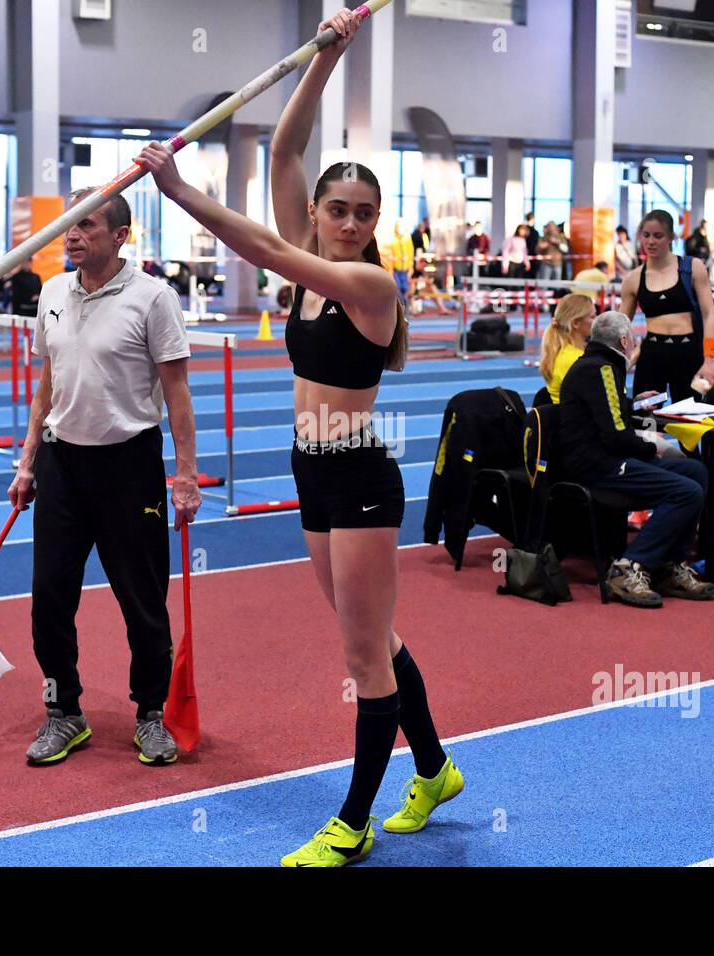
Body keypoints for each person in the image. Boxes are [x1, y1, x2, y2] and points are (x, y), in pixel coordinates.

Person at [139, 8, 457, 868]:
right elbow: (283, 154)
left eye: (364, 213)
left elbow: (269, 253)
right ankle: (433, 769)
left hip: (358, 477)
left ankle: (352, 823)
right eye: (338, 209)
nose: (350, 223)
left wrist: (180, 191)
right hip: (309, 471)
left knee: (362, 653)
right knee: (375, 639)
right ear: (316, 210)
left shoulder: (364, 284)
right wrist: (324, 58)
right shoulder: (313, 256)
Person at [8, 187, 202, 769]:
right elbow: (48, 380)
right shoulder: (51, 293)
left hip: (129, 467)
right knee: (49, 600)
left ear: (119, 236)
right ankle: (63, 711)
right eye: (69, 225)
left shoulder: (153, 299)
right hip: (62, 466)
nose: (71, 234)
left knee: (142, 603)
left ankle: (150, 716)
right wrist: (27, 458)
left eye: (85, 225)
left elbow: (177, 391)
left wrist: (186, 476)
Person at [556, 311, 714, 608]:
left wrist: (635, 404)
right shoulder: (602, 369)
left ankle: (670, 564)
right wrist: (649, 448)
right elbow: (615, 436)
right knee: (687, 491)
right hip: (598, 466)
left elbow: (607, 412)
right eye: (633, 337)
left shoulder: (600, 365)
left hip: (603, 458)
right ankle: (628, 567)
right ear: (624, 340)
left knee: (695, 471)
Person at [619, 209, 714, 403]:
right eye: (646, 235)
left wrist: (709, 360)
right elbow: (620, 326)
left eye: (658, 236)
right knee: (644, 417)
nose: (651, 242)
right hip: (652, 354)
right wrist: (618, 359)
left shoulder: (693, 268)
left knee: (693, 420)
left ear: (671, 237)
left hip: (689, 354)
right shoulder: (633, 279)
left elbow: (709, 315)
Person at [540, 292, 593, 403]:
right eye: (592, 316)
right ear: (575, 323)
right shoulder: (575, 360)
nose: (597, 320)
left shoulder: (563, 351)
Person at [387, 219, 414, 305]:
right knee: (397, 288)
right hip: (396, 269)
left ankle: (405, 307)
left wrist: (411, 266)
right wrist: (394, 259)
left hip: (405, 269)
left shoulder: (407, 238)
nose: (400, 229)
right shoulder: (393, 239)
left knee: (405, 288)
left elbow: (411, 253)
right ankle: (399, 306)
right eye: (399, 227)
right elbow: (389, 253)